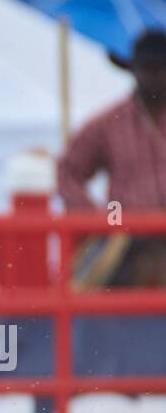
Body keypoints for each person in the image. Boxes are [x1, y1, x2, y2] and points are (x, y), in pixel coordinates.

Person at [59, 28, 166, 286]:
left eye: (161, 68)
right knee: (84, 287)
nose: (155, 76)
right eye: (148, 68)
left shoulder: (109, 120)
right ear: (134, 71)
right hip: (126, 240)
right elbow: (67, 170)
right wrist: (93, 219)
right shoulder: (110, 122)